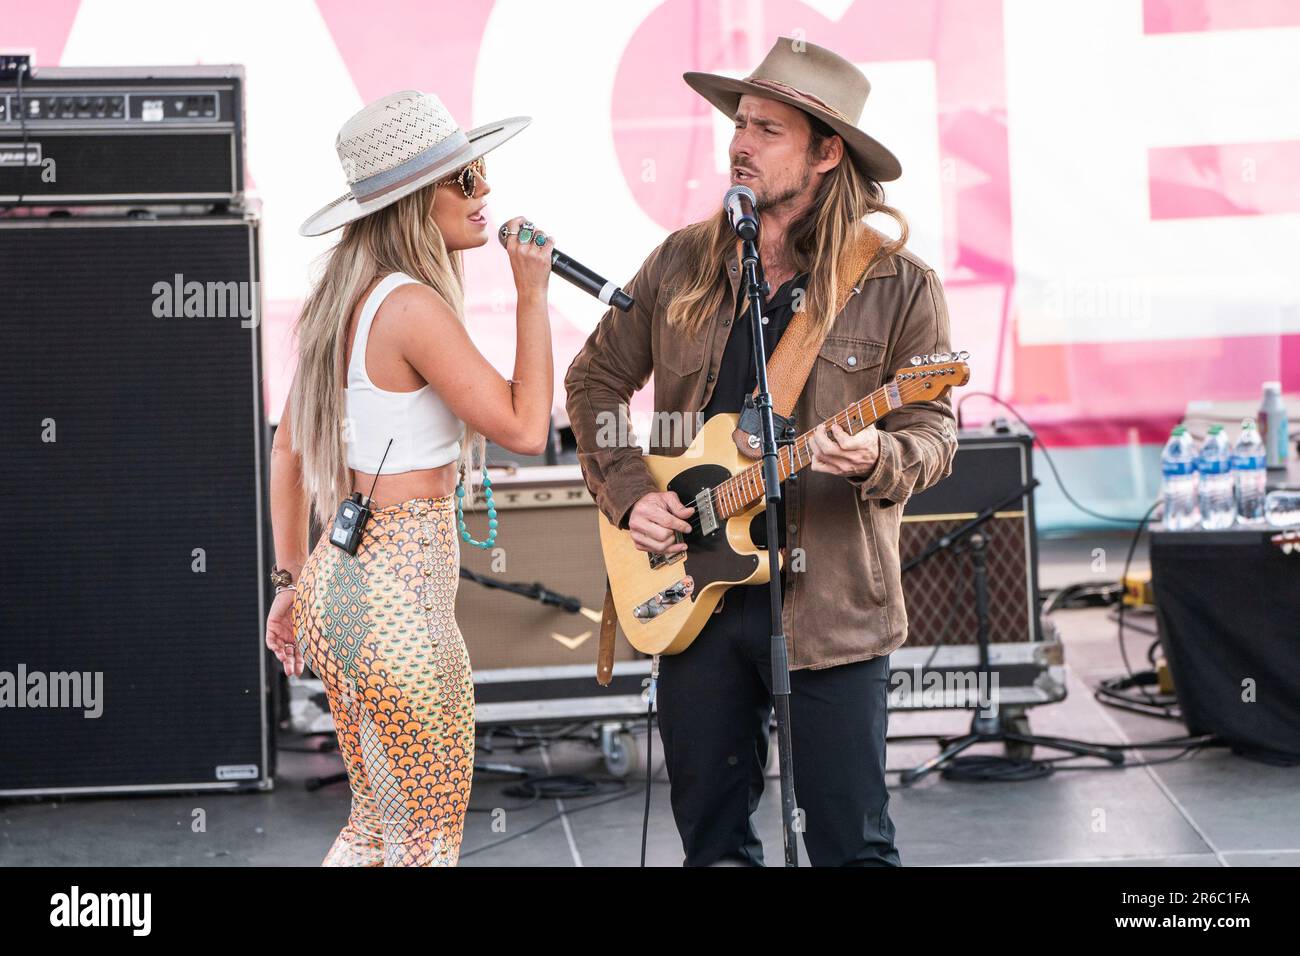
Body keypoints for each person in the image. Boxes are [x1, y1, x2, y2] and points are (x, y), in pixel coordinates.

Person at [564, 38, 957, 866]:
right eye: (739, 122)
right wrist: (630, 491)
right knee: (711, 843)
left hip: (833, 607)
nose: (740, 142)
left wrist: (879, 458)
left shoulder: (899, 284)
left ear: (826, 153)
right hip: (696, 599)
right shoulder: (682, 262)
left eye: (767, 129)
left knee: (851, 844)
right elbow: (594, 382)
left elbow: (934, 433)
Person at [262, 90, 555, 866]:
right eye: (465, 180)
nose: (483, 192)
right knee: (425, 842)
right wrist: (532, 293)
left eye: (480, 173)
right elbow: (526, 427)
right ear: (412, 202)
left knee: (376, 831)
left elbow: (286, 453)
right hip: (395, 599)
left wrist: (290, 581)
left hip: (340, 583)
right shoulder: (412, 307)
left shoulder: (345, 301)